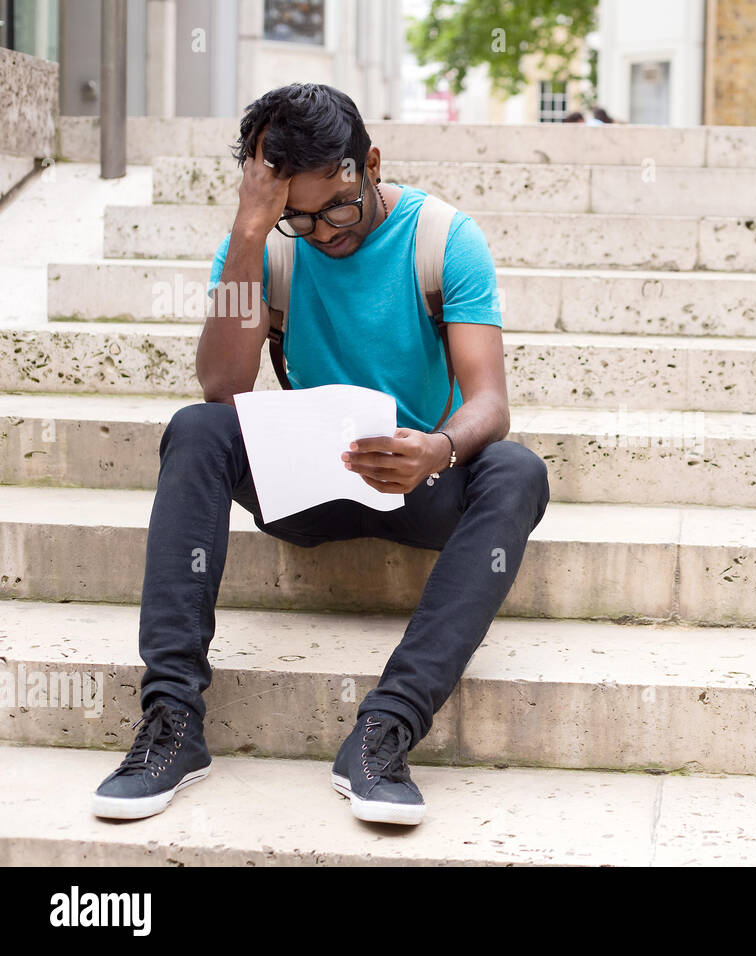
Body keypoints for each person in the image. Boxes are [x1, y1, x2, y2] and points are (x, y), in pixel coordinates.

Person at [90, 83, 550, 827]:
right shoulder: (267, 243)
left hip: (412, 484)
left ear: (368, 162)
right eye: (298, 217)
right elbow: (223, 382)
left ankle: (383, 730)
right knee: (198, 428)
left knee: (516, 469)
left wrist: (436, 449)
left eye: (337, 207)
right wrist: (249, 232)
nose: (324, 232)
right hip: (298, 489)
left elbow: (490, 403)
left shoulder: (443, 237)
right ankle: (173, 722)